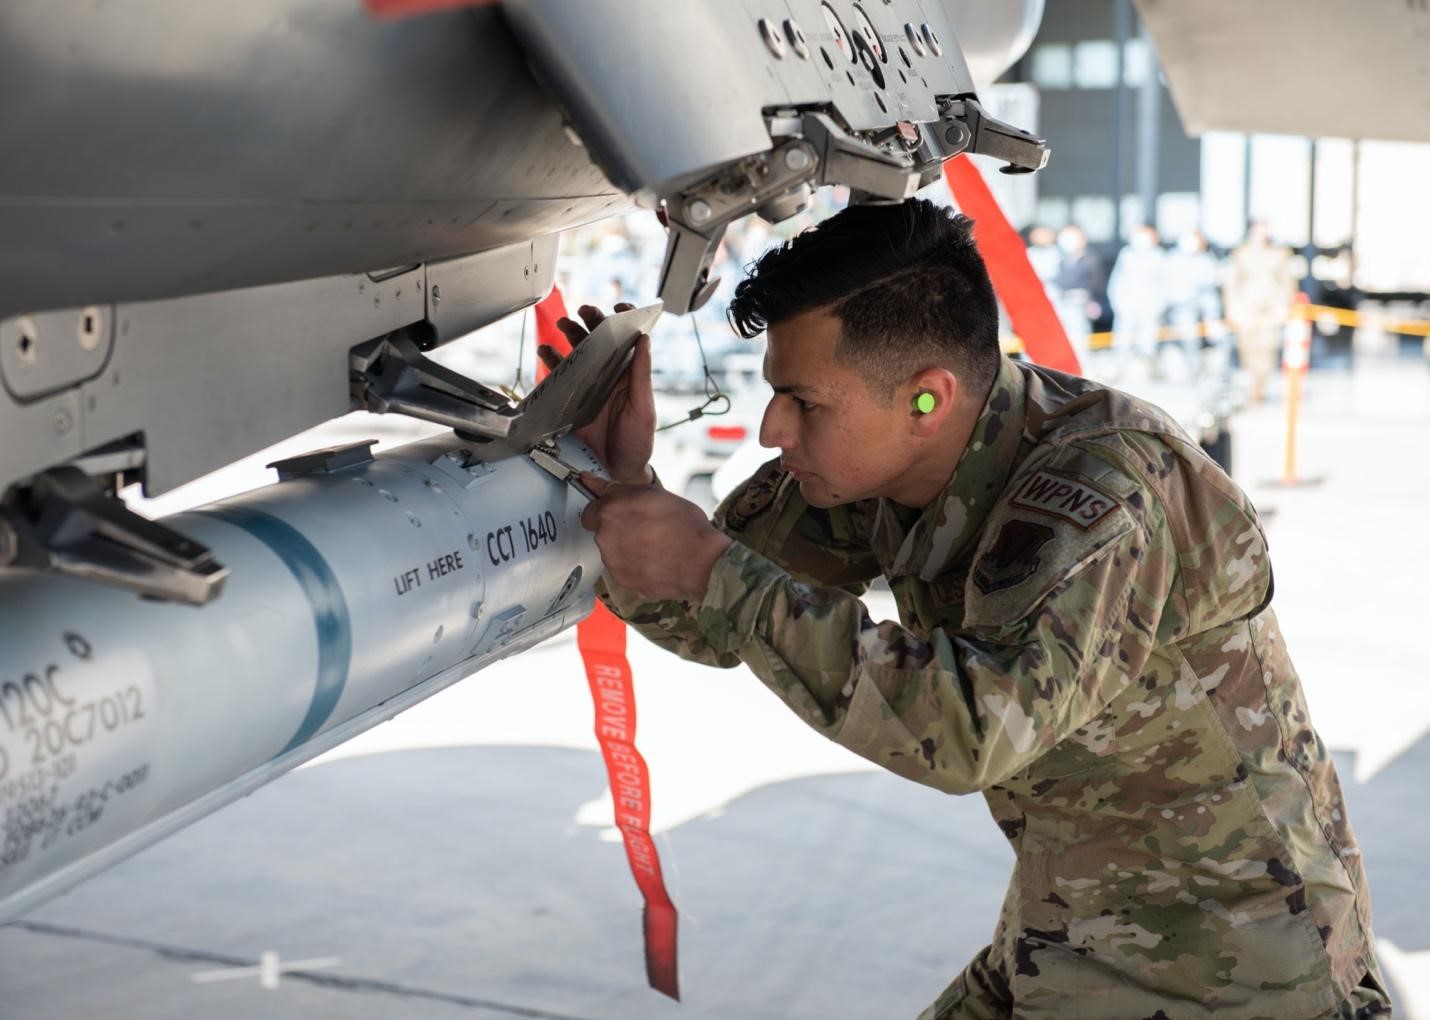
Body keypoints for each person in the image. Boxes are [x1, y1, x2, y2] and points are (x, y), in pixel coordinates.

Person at [541, 199, 1387, 1019]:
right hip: (1069, 931)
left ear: (928, 398)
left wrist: (712, 569)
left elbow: (975, 732)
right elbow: (712, 616)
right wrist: (626, 489)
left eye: (805, 402)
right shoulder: (867, 464)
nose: (773, 431)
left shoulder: (1103, 493)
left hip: (1234, 970)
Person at [1224, 220, 1299, 403]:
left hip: (1271, 308)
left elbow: (1287, 281)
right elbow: (1232, 282)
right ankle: (1252, 383)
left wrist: (1285, 306)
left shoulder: (1280, 254)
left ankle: (1261, 384)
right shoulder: (1241, 253)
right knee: (1248, 347)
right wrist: (1232, 307)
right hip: (1247, 307)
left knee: (1267, 347)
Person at [1106, 224, 1168, 379]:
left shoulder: (1159, 256)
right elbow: (1117, 282)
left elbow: (1166, 284)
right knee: (1123, 339)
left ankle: (1150, 369)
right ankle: (1118, 368)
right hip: (1127, 306)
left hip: (1150, 306)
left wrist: (1159, 305)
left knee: (1148, 341)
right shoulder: (1126, 255)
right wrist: (1118, 303)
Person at [1164, 230, 1227, 381]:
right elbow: (1169, 289)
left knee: (1220, 337)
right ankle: (1191, 368)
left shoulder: (1206, 261)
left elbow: (1209, 292)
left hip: (1202, 309)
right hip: (1179, 310)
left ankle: (1217, 371)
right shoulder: (1173, 259)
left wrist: (1213, 318)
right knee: (1188, 337)